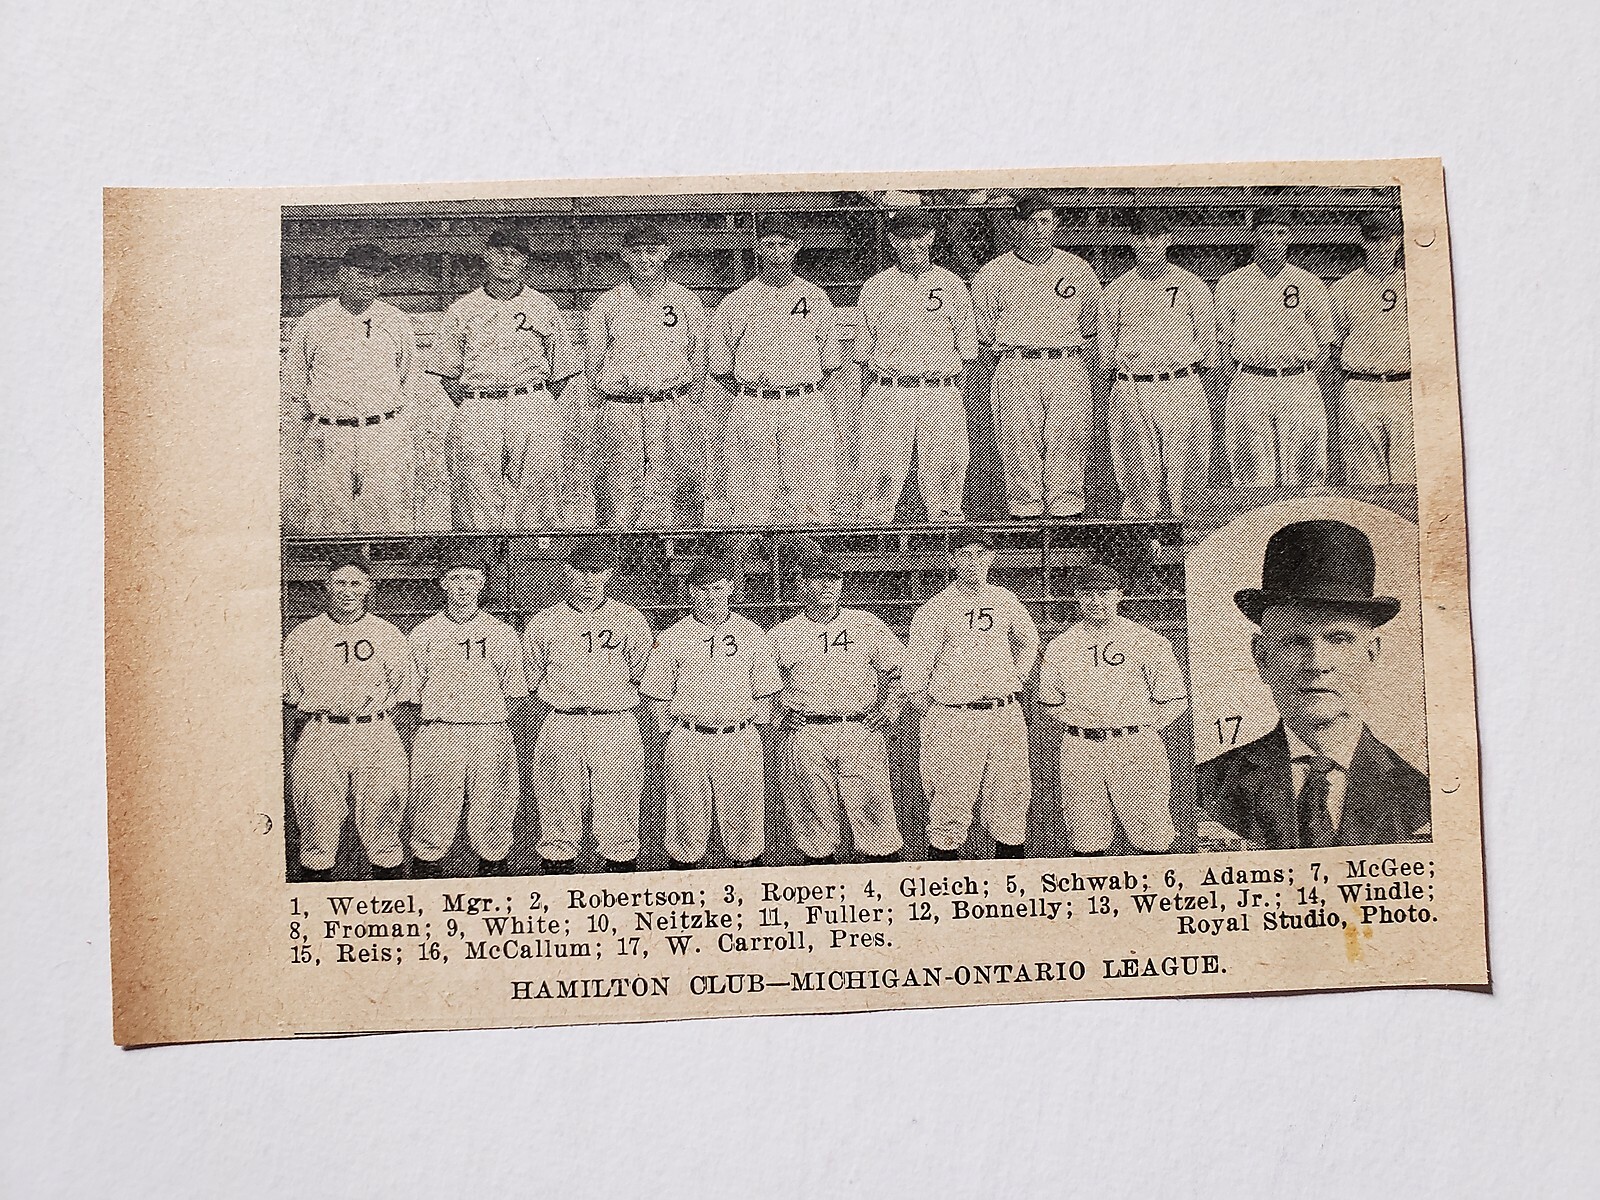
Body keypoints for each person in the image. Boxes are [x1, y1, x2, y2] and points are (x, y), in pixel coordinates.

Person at [1197, 519, 1431, 849]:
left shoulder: (1419, 795)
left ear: (1371, 654)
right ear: (1261, 657)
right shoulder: (1208, 787)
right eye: (1295, 642)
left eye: (1338, 639)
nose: (1317, 664)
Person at [428, 223, 584, 530]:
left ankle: (532, 569)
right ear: (486, 256)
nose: (507, 261)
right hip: (478, 404)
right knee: (475, 489)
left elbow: (561, 369)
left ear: (525, 260)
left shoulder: (542, 305)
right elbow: (447, 373)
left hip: (531, 401)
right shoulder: (463, 308)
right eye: (500, 253)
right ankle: (481, 570)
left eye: (515, 255)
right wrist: (477, 402)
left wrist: (533, 398)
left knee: (538, 488)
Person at [903, 527, 1039, 859]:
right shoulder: (935, 609)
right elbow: (916, 667)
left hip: (1003, 712)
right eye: (966, 554)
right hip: (955, 716)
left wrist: (1017, 675)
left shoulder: (1004, 599)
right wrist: (936, 709)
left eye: (981, 554)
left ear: (991, 558)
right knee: (950, 801)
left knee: (1010, 799)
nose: (974, 561)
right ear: (952, 559)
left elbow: (1029, 640)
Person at [639, 556, 783, 867]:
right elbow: (656, 694)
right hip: (689, 736)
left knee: (745, 819)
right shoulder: (674, 636)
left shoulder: (751, 633)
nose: (709, 595)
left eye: (717, 588)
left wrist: (744, 722)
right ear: (690, 591)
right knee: (686, 817)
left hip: (738, 736)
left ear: (730, 588)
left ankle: (748, 879)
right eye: (701, 589)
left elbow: (767, 690)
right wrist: (672, 730)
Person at [281, 553, 415, 881]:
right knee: (316, 829)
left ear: (368, 587)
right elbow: (289, 693)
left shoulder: (387, 633)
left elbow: (404, 692)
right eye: (340, 582)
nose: (348, 590)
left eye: (356, 583)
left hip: (376, 731)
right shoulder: (304, 634)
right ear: (327, 585)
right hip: (323, 732)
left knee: (384, 830)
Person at [522, 539, 654, 873]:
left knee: (619, 805)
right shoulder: (543, 621)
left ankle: (621, 876)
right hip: (562, 721)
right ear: (566, 571)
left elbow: (641, 671)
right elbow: (533, 676)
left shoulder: (629, 618)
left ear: (609, 574)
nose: (589, 579)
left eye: (598, 571)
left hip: (615, 722)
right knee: (557, 803)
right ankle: (558, 875)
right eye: (581, 571)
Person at [1037, 565, 1188, 855]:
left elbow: (1175, 700)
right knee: (1085, 831)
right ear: (1077, 597)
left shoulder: (1148, 640)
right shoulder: (1061, 645)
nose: (1096, 601)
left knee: (1151, 831)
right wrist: (1087, 720)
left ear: (1119, 594)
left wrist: (1140, 727)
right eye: (1088, 594)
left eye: (1104, 593)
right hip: (1080, 747)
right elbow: (1051, 702)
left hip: (1135, 745)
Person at [970, 191, 1103, 519]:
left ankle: (1065, 514)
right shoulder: (992, 273)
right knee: (1018, 442)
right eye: (1029, 222)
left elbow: (1089, 325)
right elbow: (985, 333)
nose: (1038, 229)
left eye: (1045, 221)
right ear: (1015, 226)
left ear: (1055, 224)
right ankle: (1025, 514)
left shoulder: (1077, 268)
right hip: (1015, 364)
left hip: (1066, 362)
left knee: (1069, 438)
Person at [770, 550, 905, 864]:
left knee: (875, 816)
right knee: (813, 820)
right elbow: (761, 684)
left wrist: (891, 708)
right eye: (817, 579)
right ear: (800, 583)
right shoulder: (782, 634)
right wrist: (779, 715)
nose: (826, 587)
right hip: (807, 732)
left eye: (833, 579)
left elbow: (900, 669)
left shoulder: (864, 623)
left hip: (860, 728)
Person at [710, 213, 845, 526]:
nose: (776, 251)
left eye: (783, 244)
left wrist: (800, 389)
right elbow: (719, 366)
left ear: (795, 247)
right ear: (757, 248)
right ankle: (750, 570)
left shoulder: (815, 296)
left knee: (812, 490)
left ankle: (814, 571)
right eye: (768, 244)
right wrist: (753, 392)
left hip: (804, 401)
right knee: (749, 494)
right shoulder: (737, 300)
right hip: (753, 403)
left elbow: (831, 362)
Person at [406, 548, 530, 876]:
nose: (463, 586)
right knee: (431, 808)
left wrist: (492, 720)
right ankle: (425, 879)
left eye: (471, 579)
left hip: (489, 729)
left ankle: (493, 873)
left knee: (493, 809)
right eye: (455, 578)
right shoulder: (424, 633)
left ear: (482, 584)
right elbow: (412, 694)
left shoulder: (501, 633)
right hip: (439, 730)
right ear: (443, 583)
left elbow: (514, 690)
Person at [281, 243, 418, 534]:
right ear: (343, 274)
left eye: (378, 276)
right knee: (329, 513)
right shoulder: (314, 322)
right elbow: (295, 386)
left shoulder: (396, 320)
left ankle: (382, 579)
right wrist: (311, 426)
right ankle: (337, 578)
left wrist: (396, 426)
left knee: (386, 509)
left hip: (381, 430)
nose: (371, 282)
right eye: (363, 274)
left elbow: (408, 379)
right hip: (330, 432)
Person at [852, 209, 980, 523]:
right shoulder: (876, 287)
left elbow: (966, 354)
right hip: (890, 389)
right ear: (893, 239)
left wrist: (950, 390)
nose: (913, 244)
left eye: (920, 236)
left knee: (947, 466)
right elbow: (863, 356)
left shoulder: (951, 284)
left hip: (940, 389)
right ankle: (875, 542)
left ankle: (948, 542)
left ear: (932, 237)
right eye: (905, 237)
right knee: (878, 466)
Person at [584, 220, 708, 527]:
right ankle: (622, 559)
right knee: (618, 483)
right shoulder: (608, 303)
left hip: (672, 403)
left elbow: (698, 355)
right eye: (637, 252)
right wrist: (603, 400)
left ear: (665, 253)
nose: (644, 259)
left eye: (652, 252)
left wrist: (691, 401)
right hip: (621, 406)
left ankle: (684, 558)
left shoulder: (686, 300)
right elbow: (594, 361)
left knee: (681, 479)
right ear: (625, 255)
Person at [1100, 208, 1218, 518]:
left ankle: (1187, 546)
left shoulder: (1191, 285)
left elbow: (1207, 344)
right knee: (1137, 473)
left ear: (1168, 239)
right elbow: (1106, 351)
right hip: (1133, 386)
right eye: (1141, 237)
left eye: (1156, 236)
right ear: (1130, 241)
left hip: (1180, 384)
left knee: (1187, 471)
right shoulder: (1116, 289)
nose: (1149, 244)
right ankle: (1144, 551)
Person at [1214, 207, 1336, 488]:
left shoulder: (1309, 282)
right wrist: (1239, 379)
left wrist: (1302, 374)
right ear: (1254, 236)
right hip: (1251, 380)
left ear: (1290, 236)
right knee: (1251, 471)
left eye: (1281, 233)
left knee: (1306, 469)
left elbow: (1325, 342)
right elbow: (1223, 342)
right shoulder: (1232, 283)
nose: (1274, 240)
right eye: (1267, 233)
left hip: (1298, 380)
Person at [1329, 210, 1414, 486]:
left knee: (1408, 477)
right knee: (1365, 480)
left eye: (1388, 240)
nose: (1382, 247)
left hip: (1404, 386)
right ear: (1364, 243)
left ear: (1399, 241)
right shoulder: (1344, 288)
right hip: (1360, 386)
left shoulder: (1413, 283)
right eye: (1375, 241)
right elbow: (1335, 344)